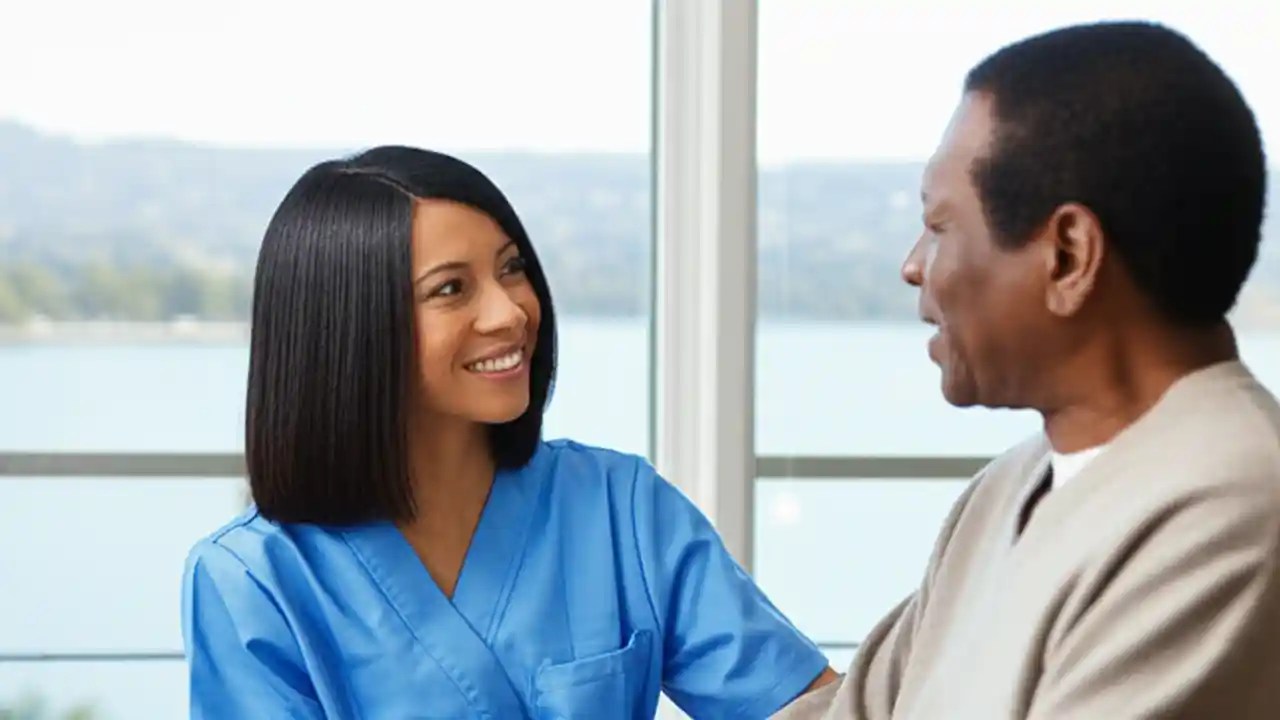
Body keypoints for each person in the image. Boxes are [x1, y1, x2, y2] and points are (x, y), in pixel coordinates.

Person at [181, 145, 836, 718]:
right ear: (352, 328)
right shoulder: (252, 580)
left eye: (512, 268)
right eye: (451, 289)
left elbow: (799, 706)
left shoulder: (619, 506)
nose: (511, 312)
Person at [773, 20, 1280, 720]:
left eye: (942, 226)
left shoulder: (1233, 511)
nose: (913, 264)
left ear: (1068, 256)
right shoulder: (1007, 489)